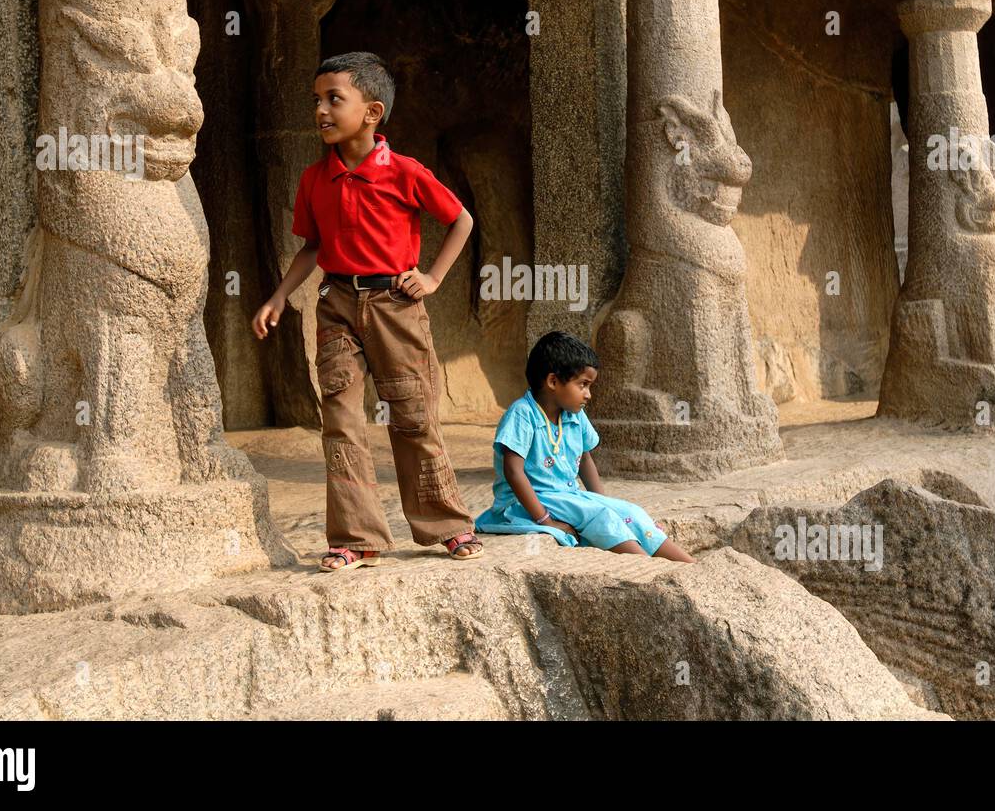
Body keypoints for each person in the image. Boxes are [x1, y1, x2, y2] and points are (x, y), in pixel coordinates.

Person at [252, 51, 483, 570]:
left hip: (395, 307)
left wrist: (431, 277)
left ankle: (446, 525)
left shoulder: (404, 171)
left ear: (372, 112)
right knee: (339, 420)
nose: (321, 111)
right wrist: (279, 295)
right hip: (334, 304)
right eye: (316, 100)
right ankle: (356, 537)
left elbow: (461, 220)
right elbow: (311, 246)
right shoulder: (315, 179)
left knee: (413, 416)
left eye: (335, 99)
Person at [475, 331, 696, 562]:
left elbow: (585, 459)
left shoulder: (574, 415)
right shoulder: (522, 414)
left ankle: (690, 566)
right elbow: (513, 471)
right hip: (525, 502)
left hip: (565, 497)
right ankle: (651, 570)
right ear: (553, 381)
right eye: (583, 385)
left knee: (630, 512)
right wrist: (545, 520)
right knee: (599, 516)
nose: (588, 395)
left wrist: (603, 502)